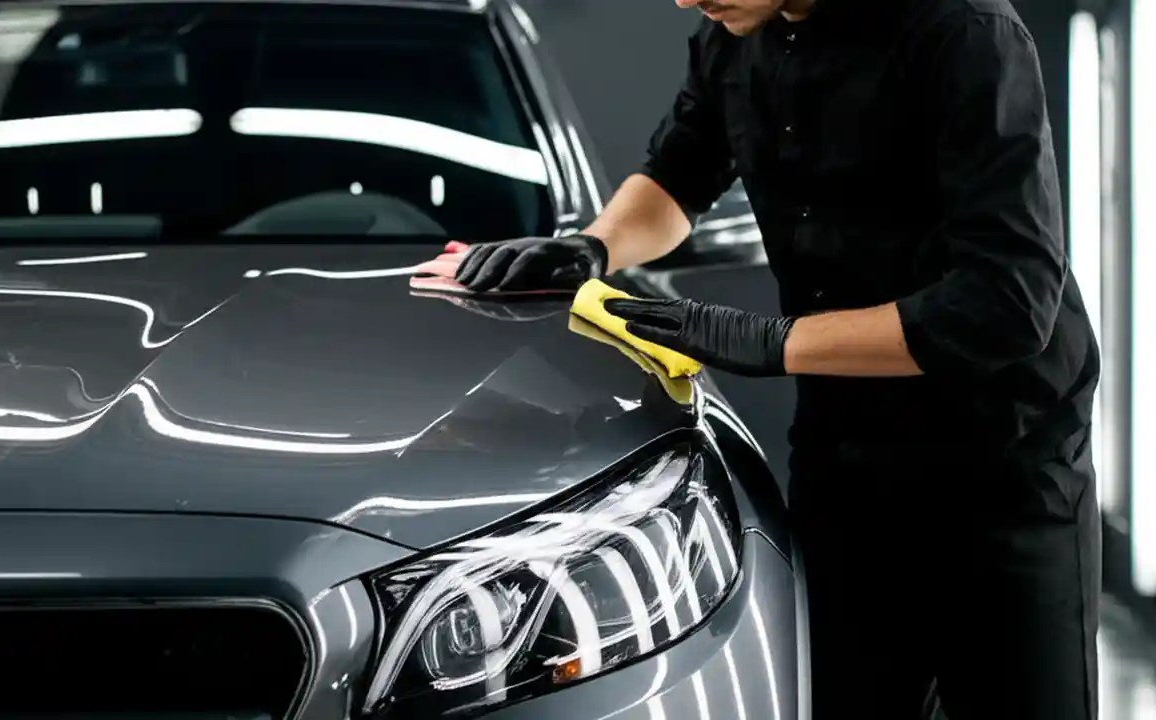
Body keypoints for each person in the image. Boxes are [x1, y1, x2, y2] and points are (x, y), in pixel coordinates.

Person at [443, 0, 1102, 717]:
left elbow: (1009, 303)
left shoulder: (965, 31)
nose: (687, 0)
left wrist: (768, 342)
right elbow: (681, 172)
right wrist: (593, 247)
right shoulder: (734, 30)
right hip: (847, 457)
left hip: (1001, 470)